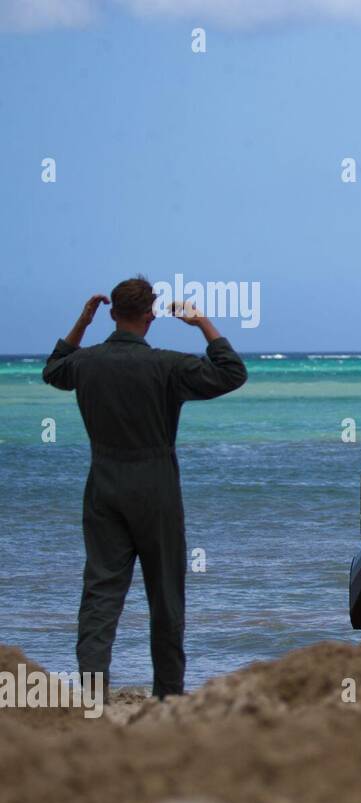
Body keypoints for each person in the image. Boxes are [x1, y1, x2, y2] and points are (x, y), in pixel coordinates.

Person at [42, 277, 247, 698]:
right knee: (166, 595)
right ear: (151, 315)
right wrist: (202, 322)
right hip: (155, 483)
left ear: (112, 314)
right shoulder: (168, 365)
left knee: (101, 591)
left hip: (103, 480)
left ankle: (93, 693)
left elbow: (53, 370)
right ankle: (168, 694)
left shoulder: (87, 363)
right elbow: (232, 373)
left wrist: (81, 323)